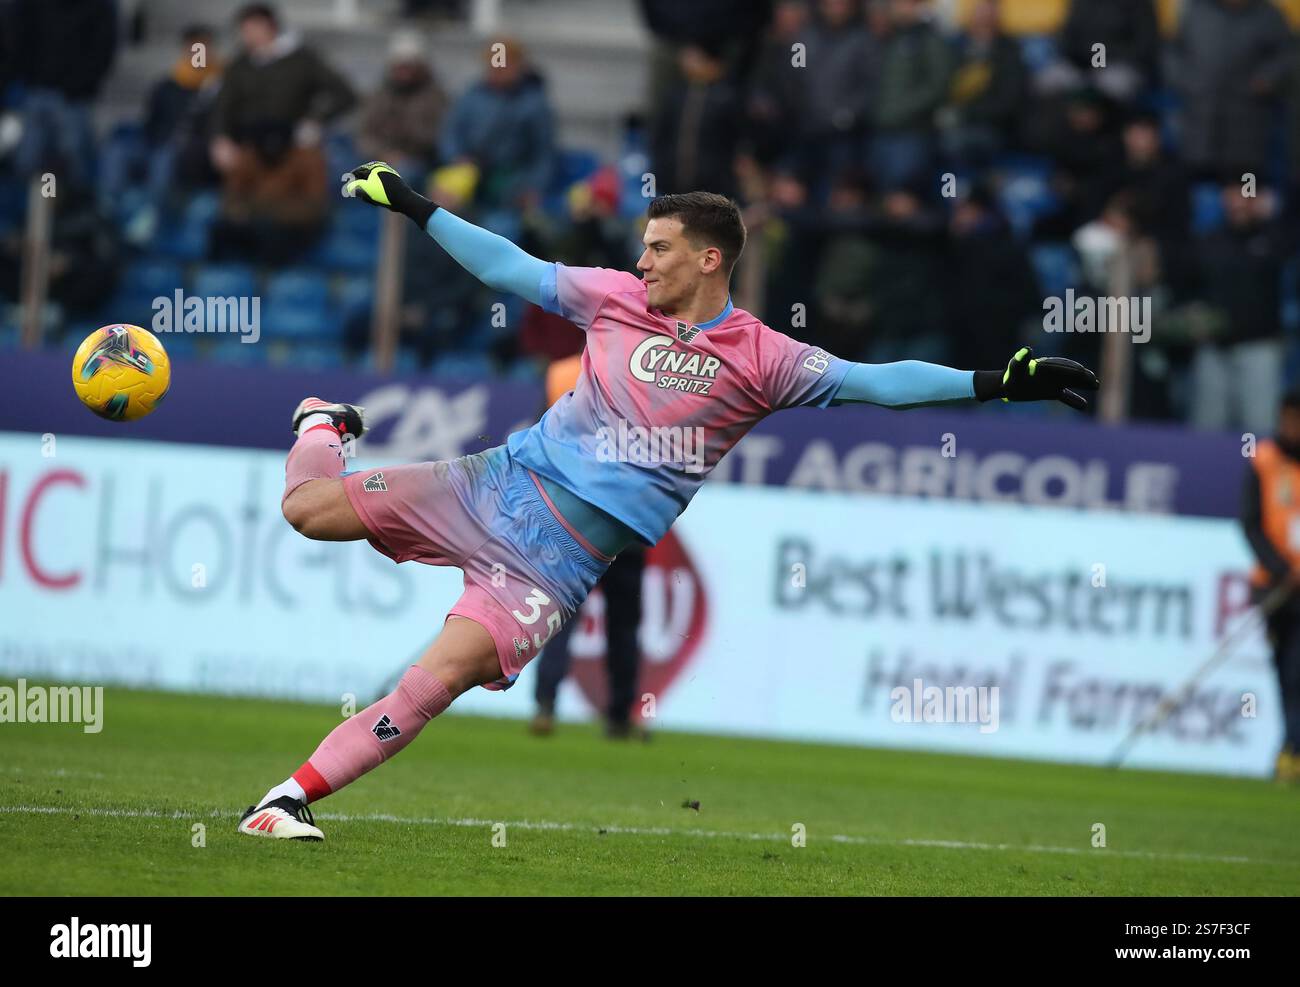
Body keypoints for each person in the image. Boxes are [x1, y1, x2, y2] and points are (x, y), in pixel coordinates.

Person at [236, 161, 1098, 841]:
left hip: (556, 563)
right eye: (642, 246)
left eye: (658, 247)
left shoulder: (764, 357)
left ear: (709, 257)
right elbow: (512, 267)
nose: (640, 260)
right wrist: (419, 207)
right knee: (309, 509)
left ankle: (286, 799)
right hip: (495, 483)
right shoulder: (612, 299)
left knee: (437, 681)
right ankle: (321, 418)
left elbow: (879, 382)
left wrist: (995, 381)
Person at [530, 355, 647, 740]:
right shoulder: (648, 377)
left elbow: (541, 444)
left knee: (561, 618)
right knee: (624, 625)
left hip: (576, 522)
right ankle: (619, 716)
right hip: (626, 521)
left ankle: (545, 705)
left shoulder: (562, 373)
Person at [1240, 389, 1300, 782]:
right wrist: (1280, 568)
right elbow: (1250, 522)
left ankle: (1292, 749)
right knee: (1284, 672)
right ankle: (1291, 746)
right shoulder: (1263, 460)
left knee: (1298, 670)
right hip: (1276, 586)